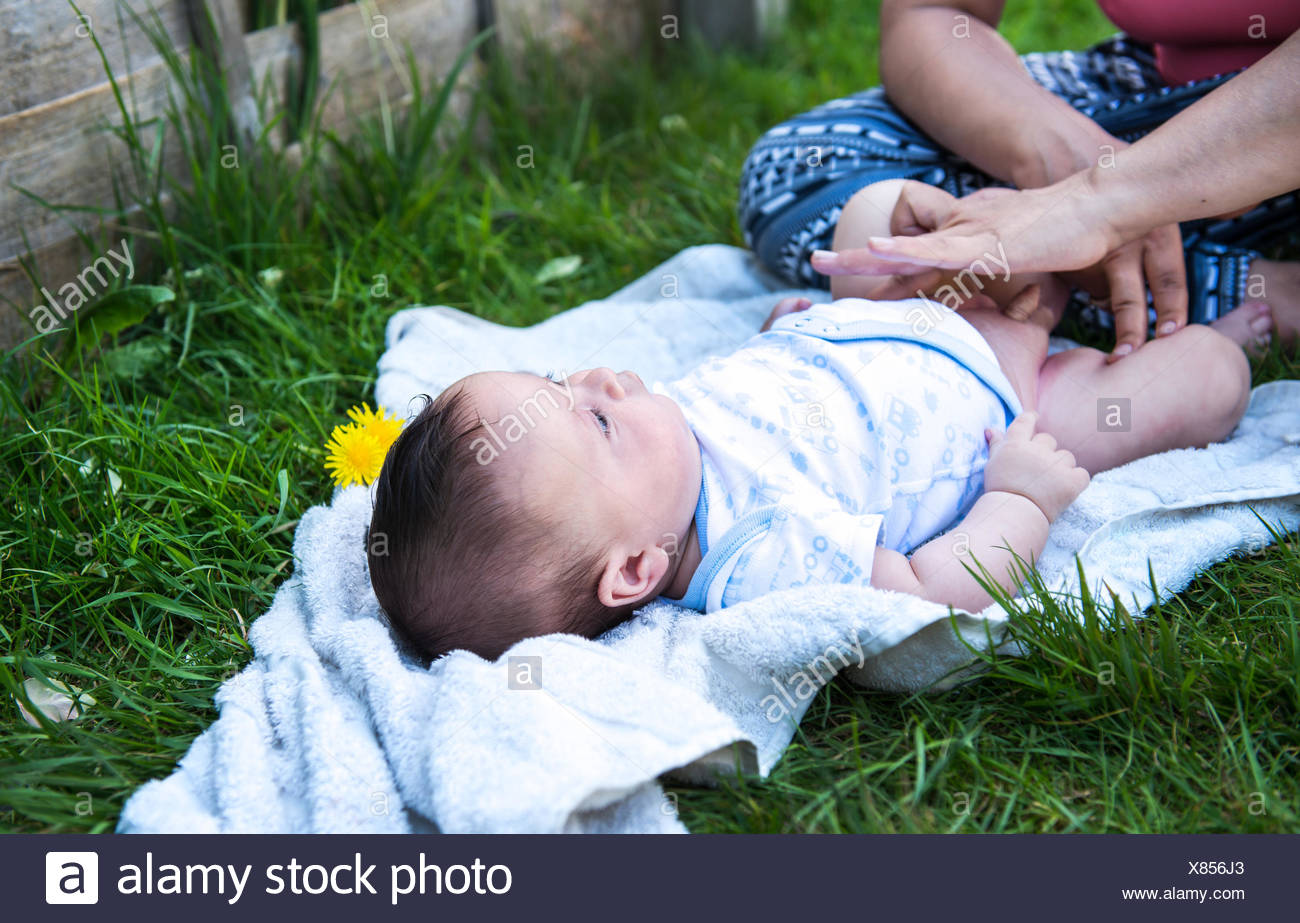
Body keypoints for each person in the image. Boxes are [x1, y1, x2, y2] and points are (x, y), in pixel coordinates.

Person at [366, 182, 1251, 662]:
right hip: (1007, 407)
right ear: (635, 569)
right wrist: (1019, 499)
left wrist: (784, 338)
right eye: (594, 421)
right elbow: (928, 595)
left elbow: (770, 401)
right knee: (1210, 380)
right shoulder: (760, 555)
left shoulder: (661, 452)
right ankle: (1230, 311)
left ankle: (1010, 224)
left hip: (908, 307)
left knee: (873, 216)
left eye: (561, 380)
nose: (598, 378)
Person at [737, 1, 1300, 360]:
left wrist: (1107, 201)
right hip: (1164, 84)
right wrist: (1070, 159)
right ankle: (1239, 285)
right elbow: (932, 10)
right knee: (801, 170)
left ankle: (1208, 286)